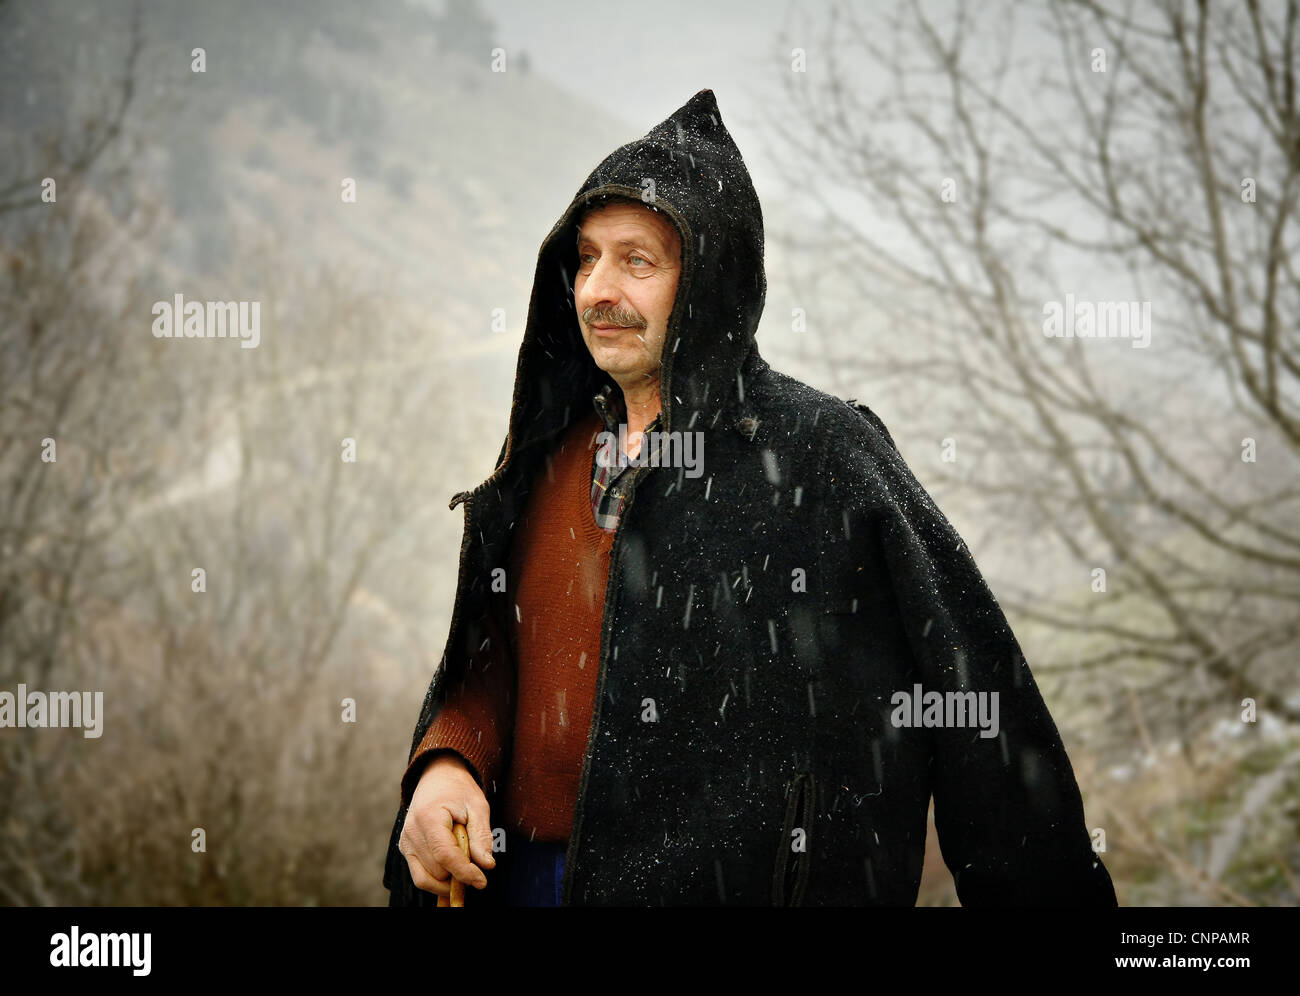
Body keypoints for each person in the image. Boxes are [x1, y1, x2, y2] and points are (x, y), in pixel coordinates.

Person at [382, 88, 1117, 906]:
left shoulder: (821, 455)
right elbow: (493, 670)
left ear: (710, 283)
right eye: (586, 258)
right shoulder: (545, 462)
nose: (596, 289)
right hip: (520, 885)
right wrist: (446, 762)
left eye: (637, 261)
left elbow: (972, 697)